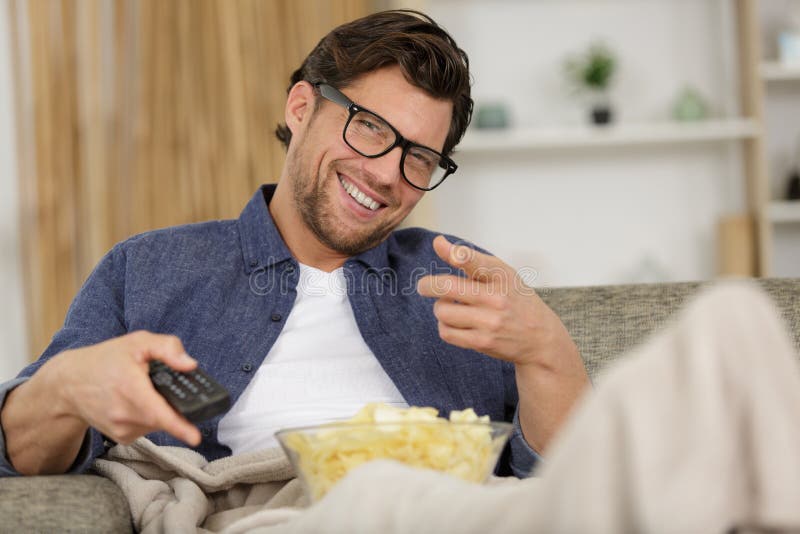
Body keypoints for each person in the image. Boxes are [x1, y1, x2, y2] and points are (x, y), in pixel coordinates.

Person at [0, 10, 590, 478]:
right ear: (302, 107)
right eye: (370, 128)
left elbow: (563, 483)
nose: (388, 174)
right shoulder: (149, 268)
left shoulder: (459, 279)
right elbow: (19, 455)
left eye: (419, 158)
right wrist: (66, 387)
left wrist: (548, 352)